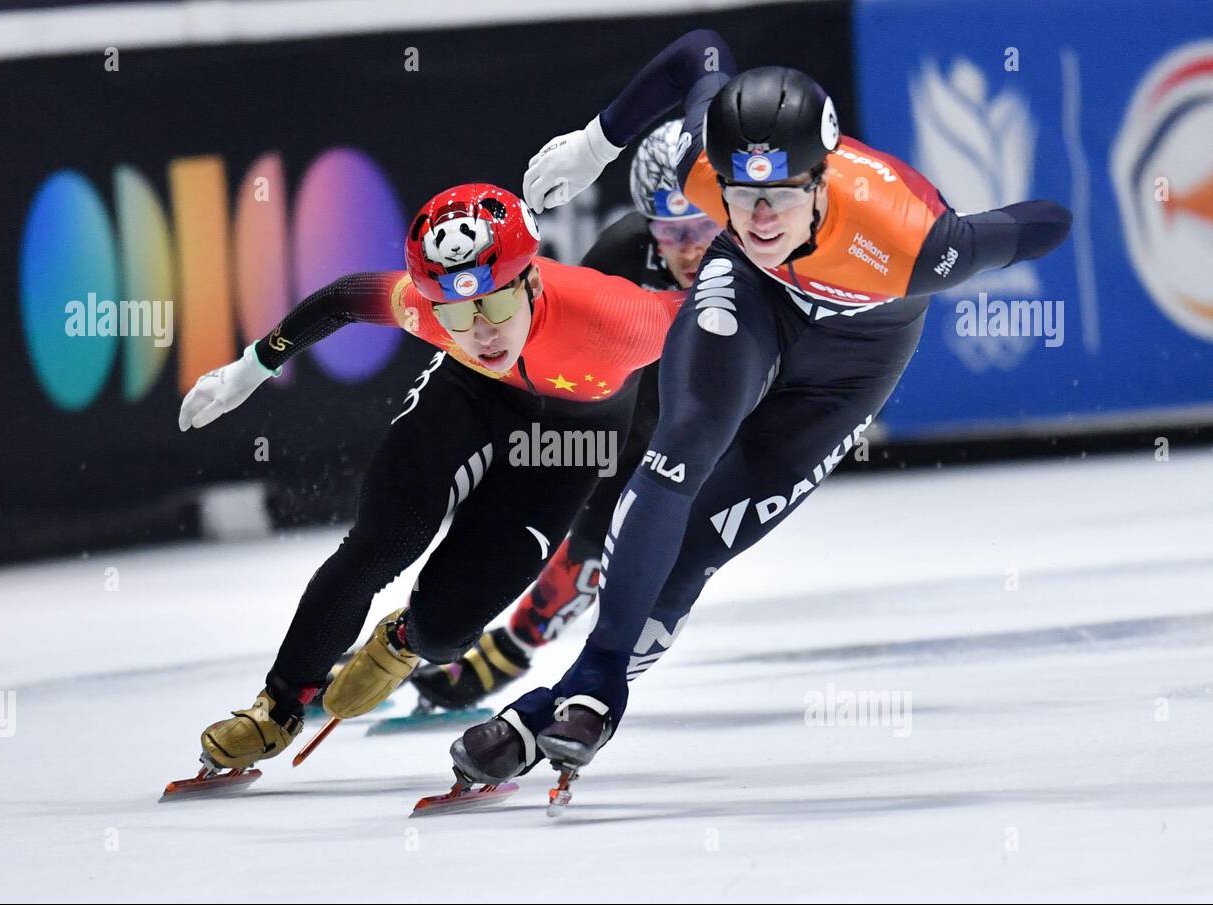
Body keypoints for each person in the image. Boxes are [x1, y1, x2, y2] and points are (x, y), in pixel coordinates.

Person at [444, 30, 1073, 791]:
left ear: (822, 182)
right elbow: (700, 52)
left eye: (778, 198)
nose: (761, 218)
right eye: (742, 198)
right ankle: (601, 683)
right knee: (680, 450)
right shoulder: (702, 165)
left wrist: (1076, 202)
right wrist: (595, 144)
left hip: (850, 366)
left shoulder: (912, 242)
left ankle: (560, 695)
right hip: (754, 299)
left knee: (705, 538)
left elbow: (1042, 223)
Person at [175, 182, 681, 776]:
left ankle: (408, 641)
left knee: (445, 632)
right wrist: (253, 366)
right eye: (458, 314)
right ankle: (278, 704)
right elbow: (342, 298)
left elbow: (734, 321)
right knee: (380, 543)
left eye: (496, 305)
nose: (482, 332)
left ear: (534, 280)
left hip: (571, 435)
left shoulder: (620, 319)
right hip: (471, 391)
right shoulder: (424, 308)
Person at [409, 120, 721, 712]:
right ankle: (433, 625)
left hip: (715, 411)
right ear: (646, 223)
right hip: (626, 401)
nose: (688, 248)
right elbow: (564, 342)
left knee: (611, 532)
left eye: (702, 227)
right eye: (668, 230)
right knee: (558, 499)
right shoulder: (625, 249)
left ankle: (513, 647)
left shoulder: (758, 260)